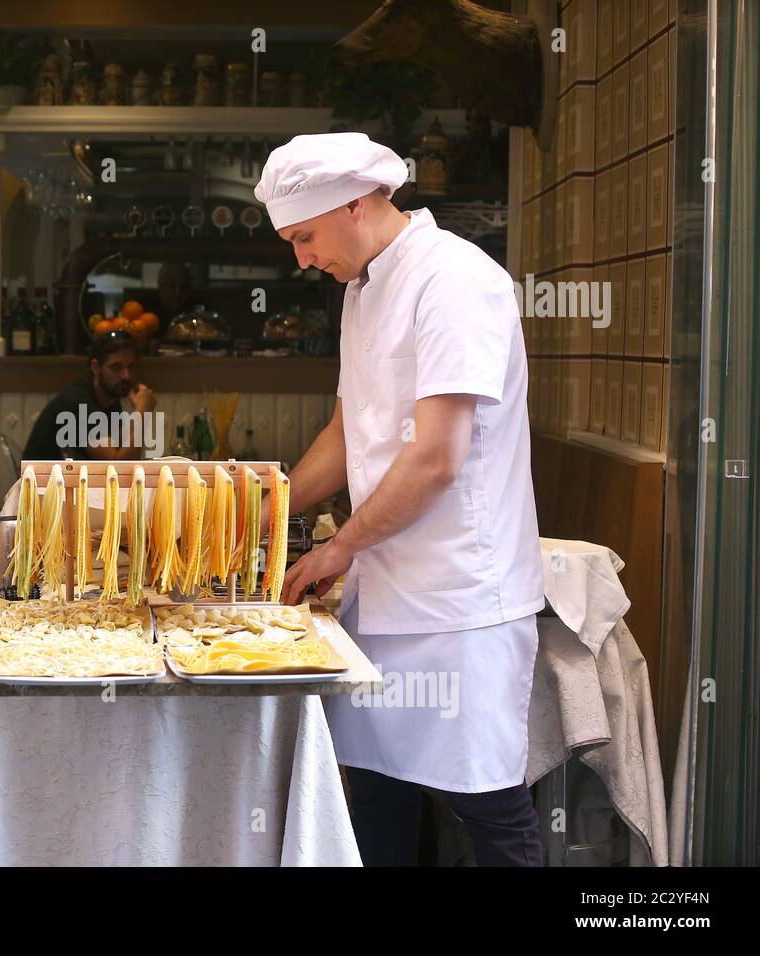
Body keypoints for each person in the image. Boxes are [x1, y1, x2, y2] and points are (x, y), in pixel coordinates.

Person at [255, 132, 546, 866]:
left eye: (305, 236)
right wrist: (265, 512)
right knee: (377, 793)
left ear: (355, 205)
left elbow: (436, 457)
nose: (302, 258)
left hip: (461, 603)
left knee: (490, 811)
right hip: (384, 597)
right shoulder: (362, 289)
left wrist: (342, 544)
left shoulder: (455, 280)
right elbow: (350, 429)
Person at [21, 329, 157, 462]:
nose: (126, 376)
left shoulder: (110, 398)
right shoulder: (79, 403)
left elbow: (121, 454)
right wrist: (143, 412)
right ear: (95, 367)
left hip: (67, 482)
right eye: (116, 367)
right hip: (40, 483)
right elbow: (118, 468)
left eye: (131, 367)